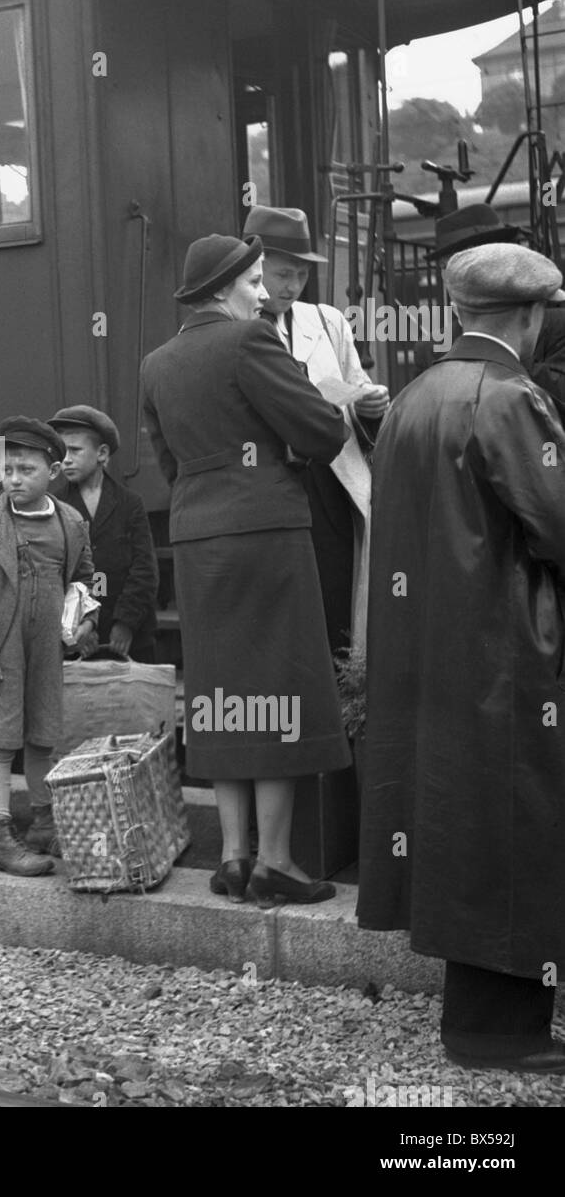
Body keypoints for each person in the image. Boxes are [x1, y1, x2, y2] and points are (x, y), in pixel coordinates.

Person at [357, 243, 565, 1074]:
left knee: (460, 823)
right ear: (530, 313)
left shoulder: (411, 397)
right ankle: (500, 1033)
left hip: (431, 650)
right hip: (505, 649)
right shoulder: (511, 396)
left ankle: (480, 1020)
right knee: (515, 824)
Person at [139, 235, 351, 906]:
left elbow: (167, 459)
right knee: (279, 687)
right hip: (265, 531)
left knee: (221, 691)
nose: (264, 293)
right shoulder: (251, 342)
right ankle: (278, 862)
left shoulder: (156, 362)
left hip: (198, 535)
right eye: (256, 280)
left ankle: (233, 857)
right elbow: (323, 429)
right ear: (226, 284)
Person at [243, 205, 388, 657]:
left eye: (300, 276)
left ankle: (341, 704)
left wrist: (371, 406)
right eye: (282, 274)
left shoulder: (326, 321)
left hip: (327, 482)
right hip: (267, 484)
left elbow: (357, 388)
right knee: (281, 612)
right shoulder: (233, 327)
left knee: (335, 599)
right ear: (253, 269)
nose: (290, 287)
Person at [0, 417, 96, 874]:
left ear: (53, 471)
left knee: (42, 735)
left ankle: (42, 821)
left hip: (46, 650)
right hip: (0, 650)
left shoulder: (71, 522)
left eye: (25, 470)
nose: (13, 479)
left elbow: (82, 579)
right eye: (7, 469)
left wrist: (86, 619)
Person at [48, 404, 159, 662]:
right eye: (62, 452)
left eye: (75, 450)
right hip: (76, 639)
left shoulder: (130, 504)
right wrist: (79, 627)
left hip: (131, 639)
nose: (66, 459)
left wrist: (126, 623)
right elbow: (53, 573)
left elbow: (145, 569)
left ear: (102, 453)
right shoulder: (54, 506)